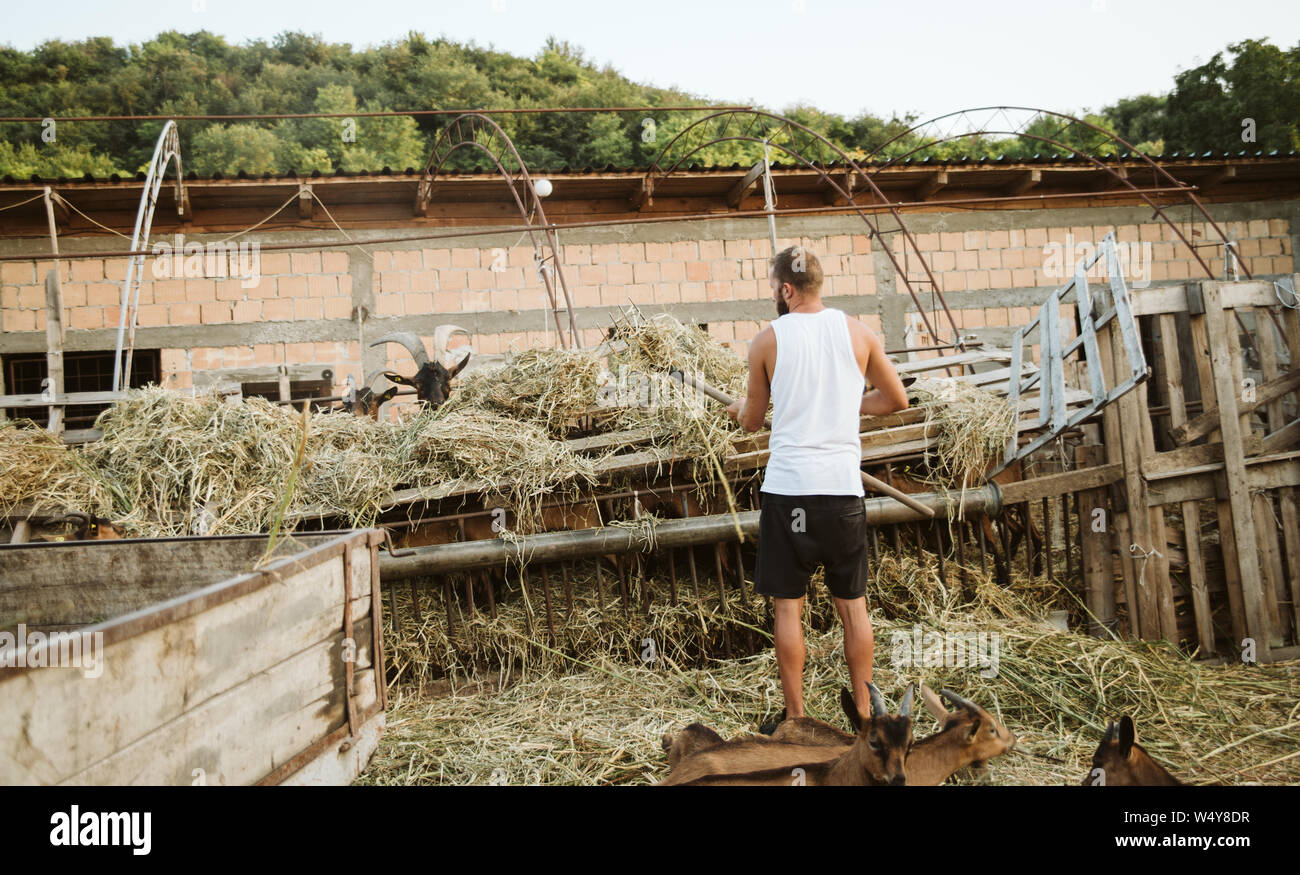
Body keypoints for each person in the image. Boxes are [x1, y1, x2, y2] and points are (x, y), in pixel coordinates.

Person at [726, 245, 910, 721]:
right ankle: (867, 718)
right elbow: (896, 400)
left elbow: (751, 419)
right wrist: (848, 406)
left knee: (788, 609)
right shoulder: (859, 333)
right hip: (842, 492)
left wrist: (736, 410)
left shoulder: (767, 340)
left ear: (786, 289)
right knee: (854, 607)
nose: (774, 295)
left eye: (773, 288)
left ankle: (797, 720)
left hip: (789, 493)